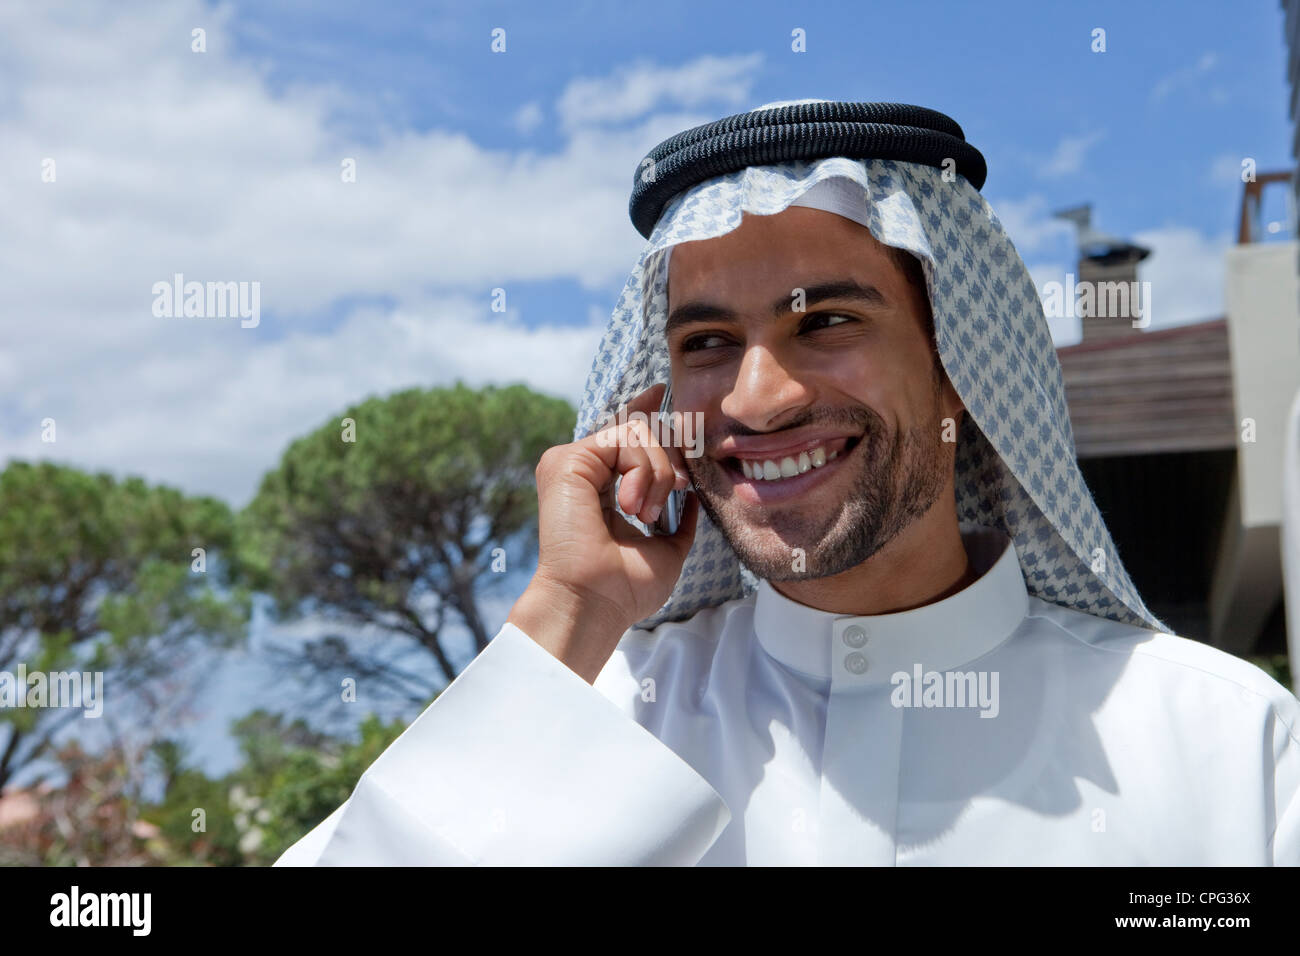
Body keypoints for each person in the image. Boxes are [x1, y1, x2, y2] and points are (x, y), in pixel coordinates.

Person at [275, 100, 1300, 865]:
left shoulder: (1223, 743)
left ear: (961, 369)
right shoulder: (586, 712)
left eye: (826, 322)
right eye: (709, 341)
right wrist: (571, 612)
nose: (758, 399)